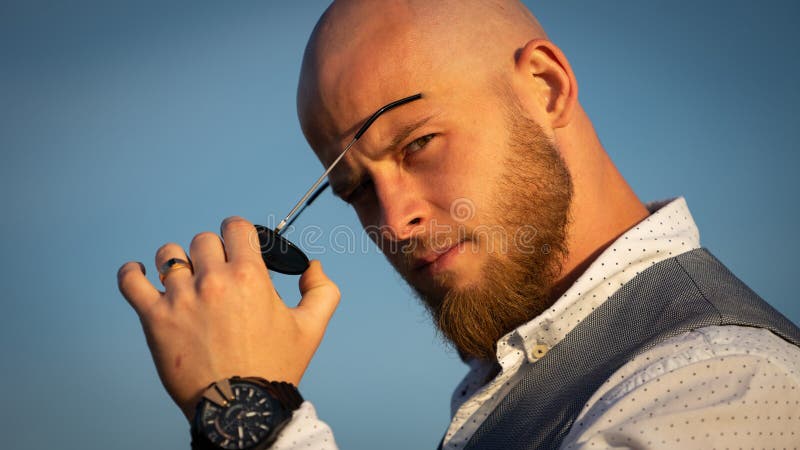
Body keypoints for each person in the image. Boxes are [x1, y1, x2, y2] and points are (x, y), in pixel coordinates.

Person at [117, 1, 800, 448]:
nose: (394, 218)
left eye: (418, 144)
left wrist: (252, 416)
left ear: (546, 88)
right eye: (354, 188)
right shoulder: (520, 380)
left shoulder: (723, 384)